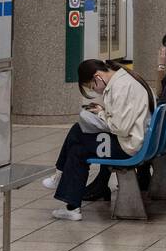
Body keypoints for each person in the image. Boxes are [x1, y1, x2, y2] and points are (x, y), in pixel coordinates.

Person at [43, 60, 152, 221]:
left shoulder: (120, 87)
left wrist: (101, 115)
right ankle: (69, 201)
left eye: (93, 87)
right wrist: (104, 112)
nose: (96, 91)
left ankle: (64, 186)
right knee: (78, 143)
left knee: (78, 135)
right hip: (138, 141)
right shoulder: (126, 79)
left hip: (128, 146)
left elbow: (120, 127)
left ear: (98, 77)